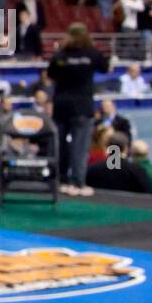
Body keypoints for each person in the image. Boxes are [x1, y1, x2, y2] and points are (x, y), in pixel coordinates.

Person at [49, 23, 109, 197]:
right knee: (80, 146)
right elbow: (104, 67)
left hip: (61, 105)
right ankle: (77, 182)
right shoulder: (92, 54)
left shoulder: (60, 55)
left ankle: (60, 181)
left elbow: (51, 74)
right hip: (82, 106)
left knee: (60, 144)